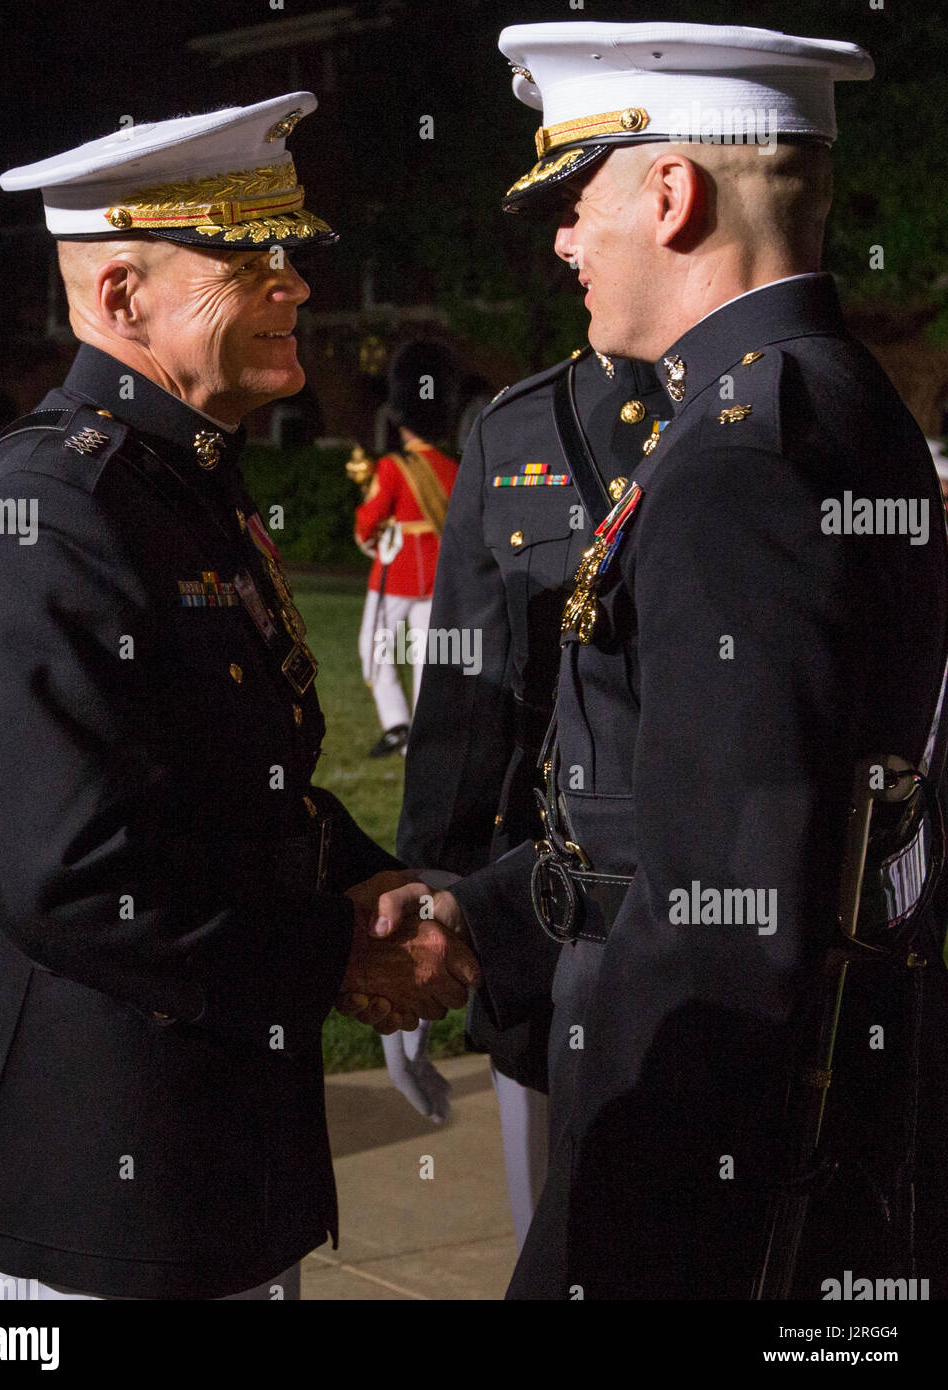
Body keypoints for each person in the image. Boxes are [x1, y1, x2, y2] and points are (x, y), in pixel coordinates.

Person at [375, 22, 948, 1299]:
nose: (566, 245)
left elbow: (721, 923)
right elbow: (697, 822)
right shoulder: (825, 399)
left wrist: (604, 1233)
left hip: (724, 1175)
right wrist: (485, 909)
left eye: (577, 204)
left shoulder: (733, 460)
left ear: (671, 193)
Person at [0, 94, 479, 1302]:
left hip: (211, 1168)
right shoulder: (53, 515)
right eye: (247, 260)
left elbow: (237, 782)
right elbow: (76, 872)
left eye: (289, 254)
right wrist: (336, 956)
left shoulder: (179, 481)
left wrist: (361, 877)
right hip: (104, 1201)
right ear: (120, 297)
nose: (294, 286)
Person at [398, 347, 668, 1235]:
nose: (565, 240)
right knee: (551, 1239)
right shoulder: (515, 429)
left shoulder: (776, 397)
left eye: (583, 205)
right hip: (546, 914)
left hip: (730, 931)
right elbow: (463, 704)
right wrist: (430, 904)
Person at [354, 343, 459, 759]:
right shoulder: (453, 467)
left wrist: (368, 529)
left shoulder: (393, 466)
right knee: (426, 657)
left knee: (374, 648)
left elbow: (369, 521)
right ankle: (425, 733)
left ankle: (397, 724)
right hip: (437, 575)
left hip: (395, 575)